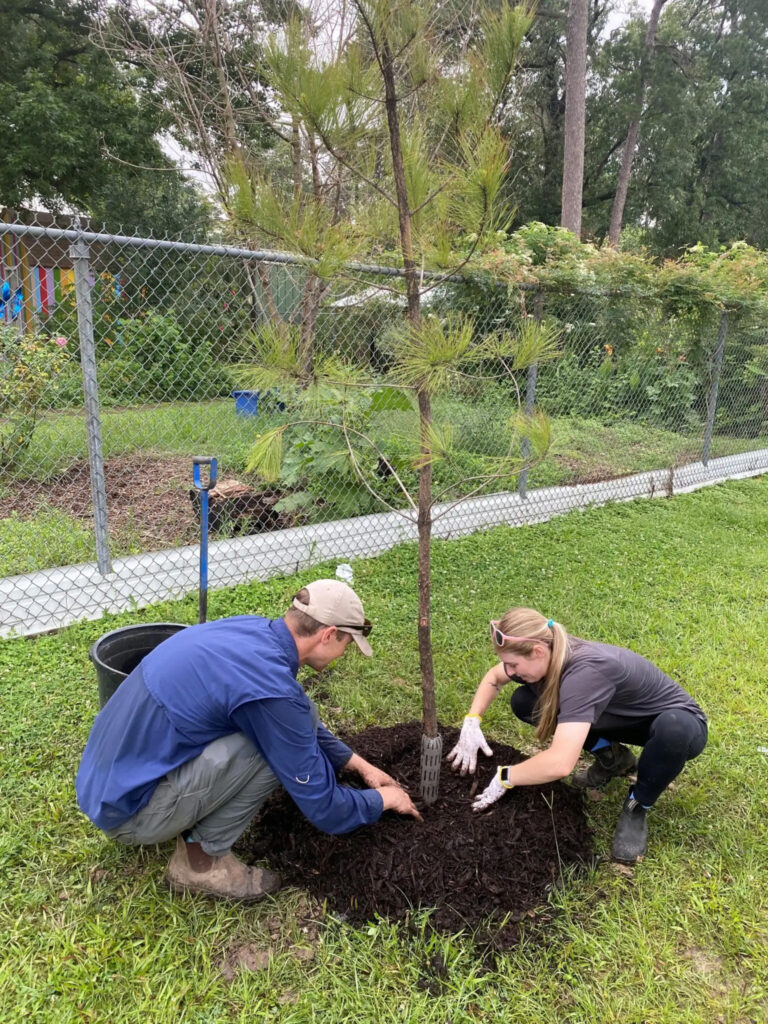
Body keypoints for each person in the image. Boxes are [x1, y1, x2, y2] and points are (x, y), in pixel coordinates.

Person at [76, 580, 421, 901]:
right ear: (329, 635)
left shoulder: (250, 632)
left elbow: (295, 718)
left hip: (107, 785)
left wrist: (358, 764)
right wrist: (385, 799)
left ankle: (183, 820)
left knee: (291, 720)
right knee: (270, 748)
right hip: (130, 815)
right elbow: (327, 810)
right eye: (347, 644)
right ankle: (199, 864)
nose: (344, 654)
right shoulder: (270, 691)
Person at [447, 608, 707, 864]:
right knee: (525, 702)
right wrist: (472, 720)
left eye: (513, 664)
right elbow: (494, 678)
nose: (510, 671)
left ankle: (637, 804)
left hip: (669, 725)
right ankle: (612, 757)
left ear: (538, 651)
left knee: (675, 730)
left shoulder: (585, 673)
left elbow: (560, 764)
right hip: (612, 716)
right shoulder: (551, 651)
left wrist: (506, 777)